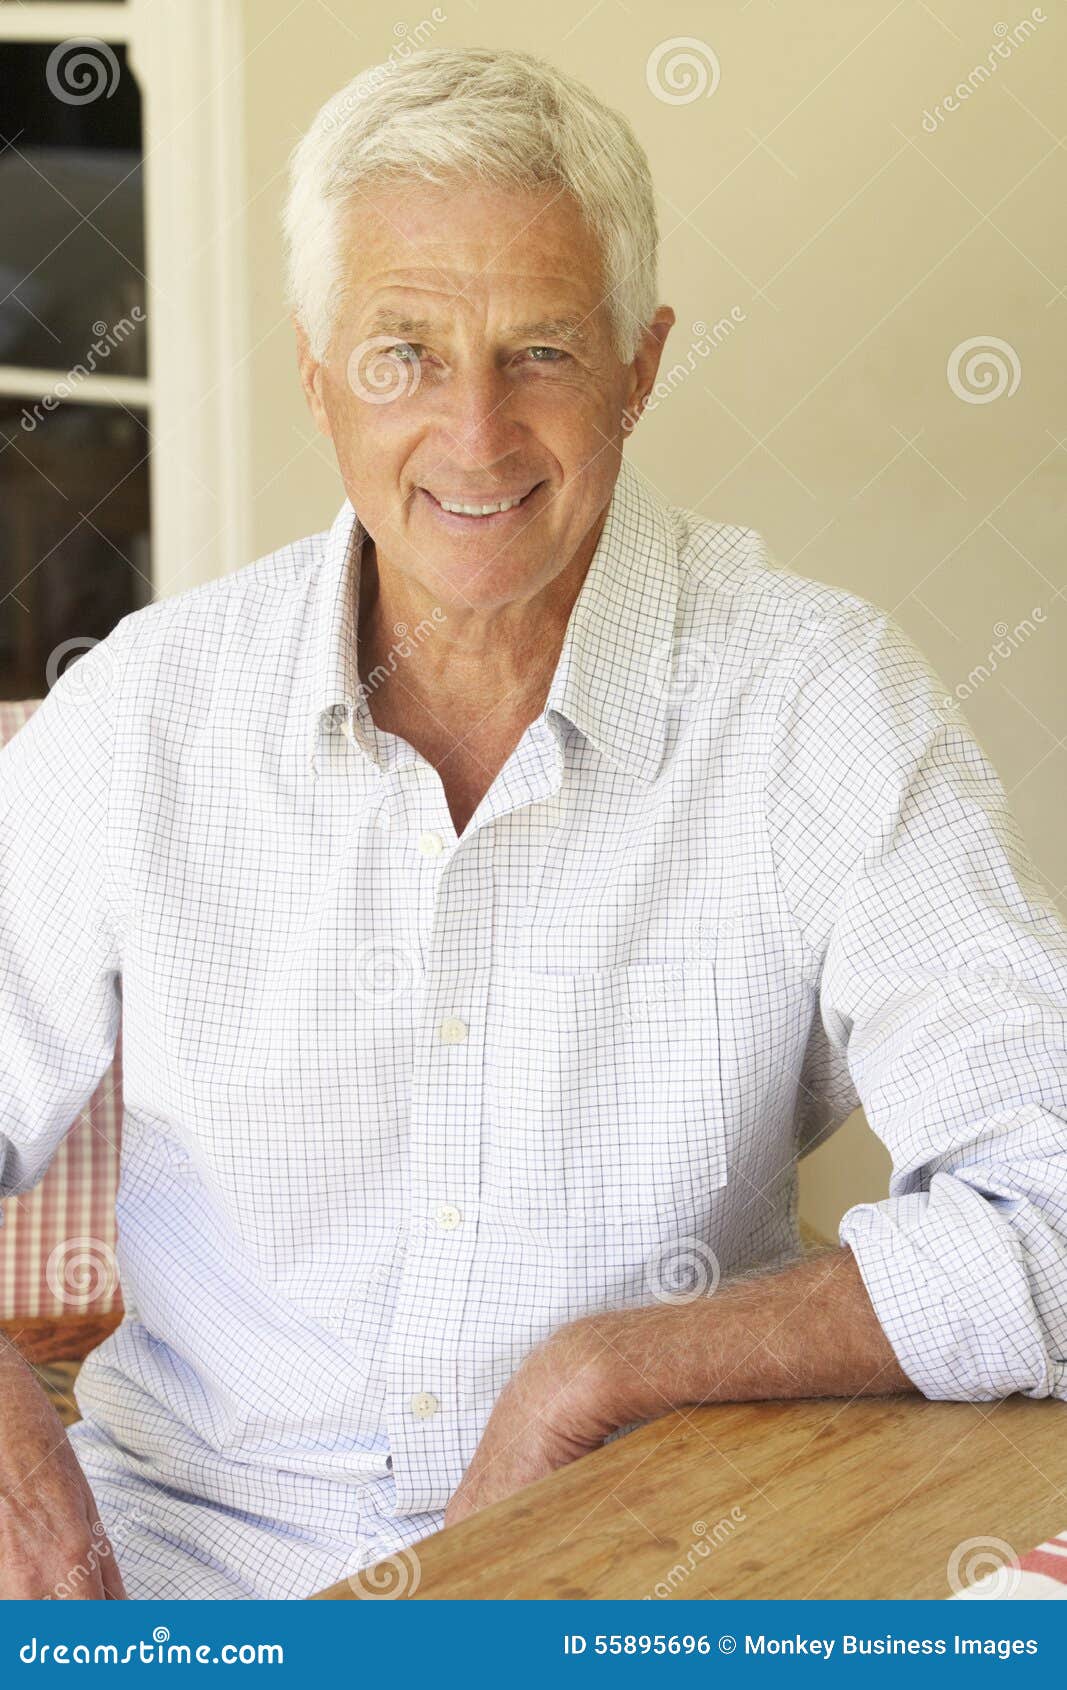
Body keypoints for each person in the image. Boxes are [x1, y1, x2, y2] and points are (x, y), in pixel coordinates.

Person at [1, 46, 1065, 1601]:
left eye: (544, 353)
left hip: (644, 1579)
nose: (477, 436)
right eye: (402, 354)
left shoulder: (814, 702)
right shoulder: (148, 712)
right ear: (315, 374)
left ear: (641, 363)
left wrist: (606, 1369)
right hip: (183, 1581)